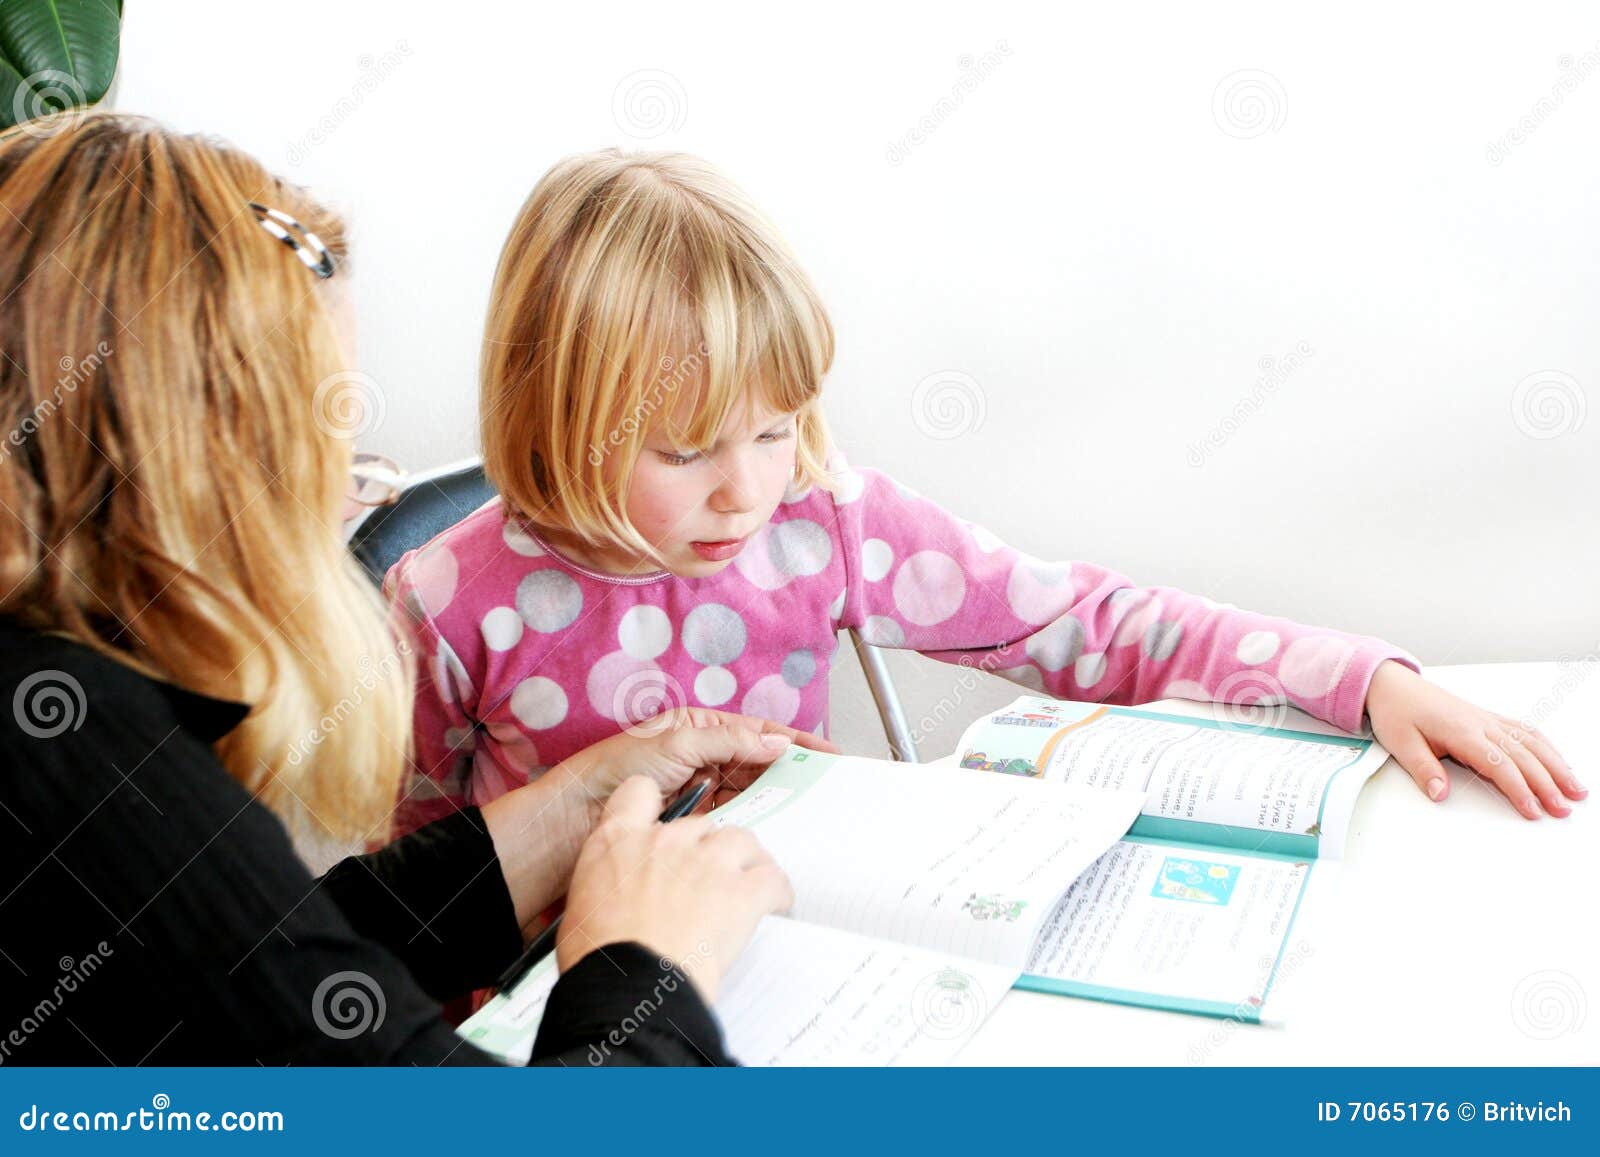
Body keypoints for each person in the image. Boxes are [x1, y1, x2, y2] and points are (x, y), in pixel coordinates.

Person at [387, 148, 1583, 845]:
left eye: (774, 425)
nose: (749, 487)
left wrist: (1363, 679)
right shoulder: (447, 596)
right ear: (553, 408)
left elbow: (1092, 625)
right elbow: (423, 869)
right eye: (688, 451)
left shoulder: (825, 516)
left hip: (801, 942)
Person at [0, 112, 824, 1065]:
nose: (341, 503)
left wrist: (576, 806)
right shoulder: (80, 759)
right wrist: (648, 962)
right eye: (329, 458)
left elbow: (257, 962)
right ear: (201, 475)